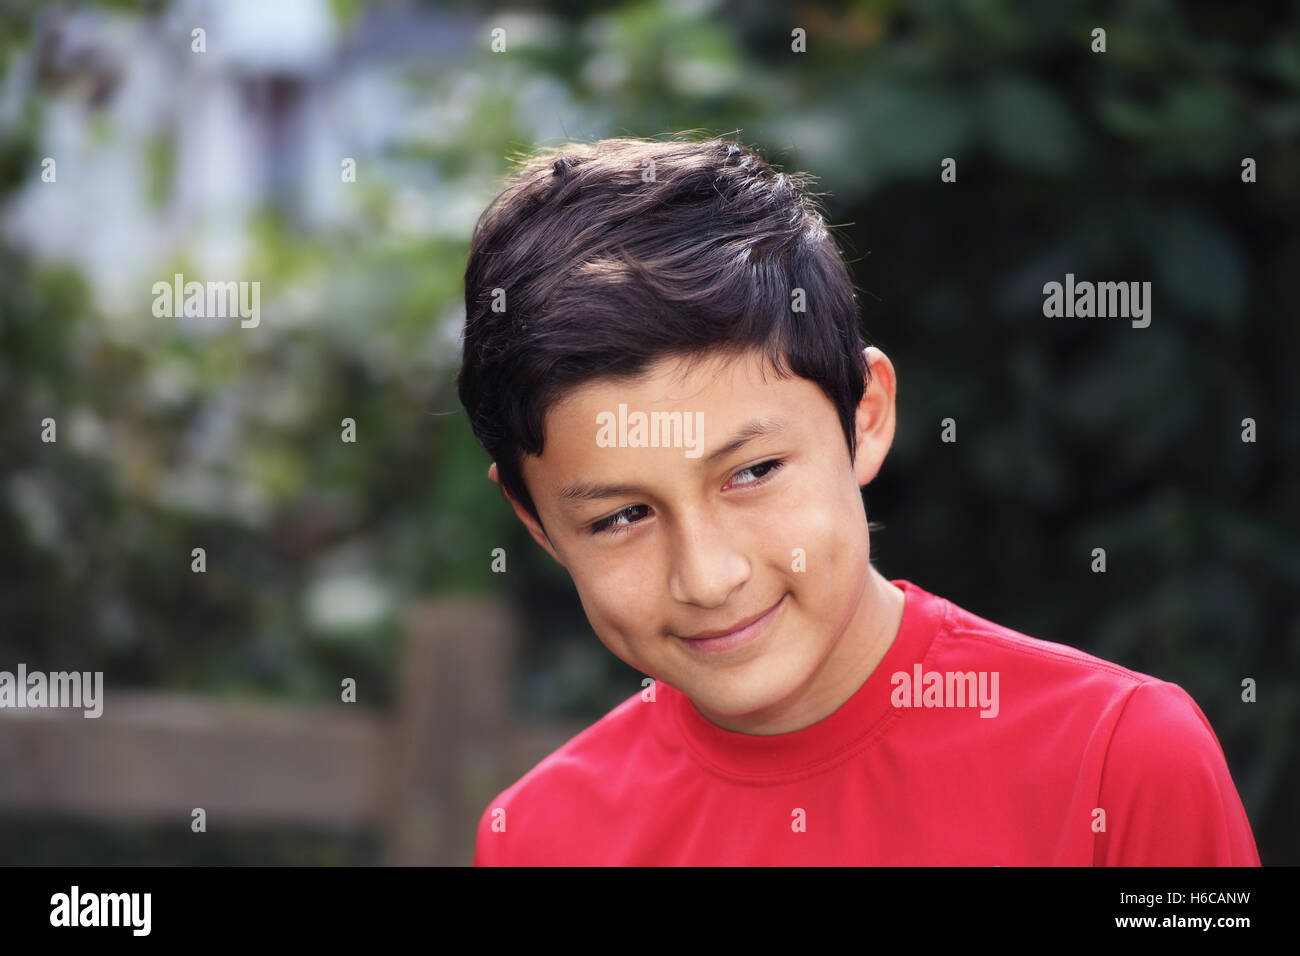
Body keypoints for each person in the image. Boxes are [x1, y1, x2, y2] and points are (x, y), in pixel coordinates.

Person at [456, 136, 1260, 865]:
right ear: (537, 524)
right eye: (620, 517)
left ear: (865, 417)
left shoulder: (1118, 762)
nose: (708, 577)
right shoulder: (540, 840)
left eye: (753, 472)